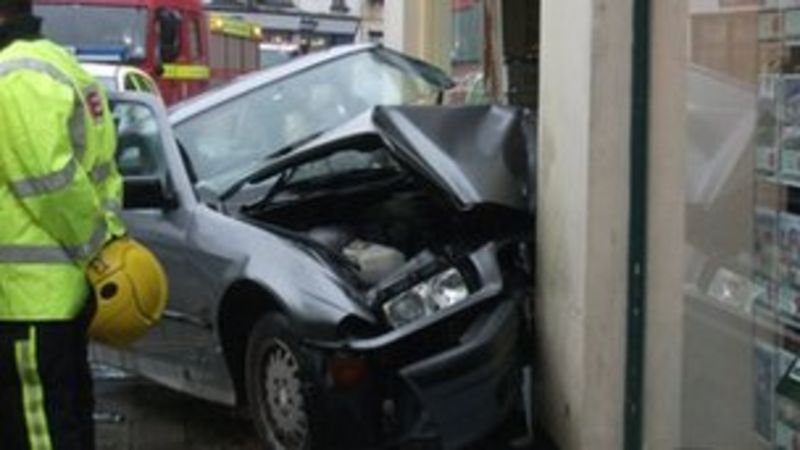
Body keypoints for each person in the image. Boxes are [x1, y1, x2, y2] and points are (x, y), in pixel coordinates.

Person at [0, 0, 125, 448]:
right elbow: (105, 173)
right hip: (60, 293)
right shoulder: (61, 64)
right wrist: (101, 253)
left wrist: (91, 246)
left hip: (29, 298)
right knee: (66, 416)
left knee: (41, 432)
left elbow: (49, 182)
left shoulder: (14, 75)